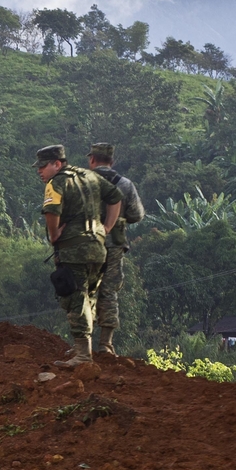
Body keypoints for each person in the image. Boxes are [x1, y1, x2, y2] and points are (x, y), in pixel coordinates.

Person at [35, 145, 121, 367]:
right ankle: (84, 348)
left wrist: (54, 235)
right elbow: (115, 197)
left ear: (57, 164)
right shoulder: (89, 176)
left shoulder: (56, 183)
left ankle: (83, 355)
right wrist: (106, 227)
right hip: (98, 249)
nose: (39, 171)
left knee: (76, 300)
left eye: (43, 166)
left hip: (74, 250)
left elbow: (51, 210)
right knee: (88, 297)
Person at [87, 143, 145, 355]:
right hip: (114, 245)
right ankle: (106, 343)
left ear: (92, 160)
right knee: (109, 291)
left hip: (87, 244)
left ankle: (83, 344)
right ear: (112, 161)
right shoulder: (125, 184)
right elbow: (136, 215)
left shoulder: (82, 182)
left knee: (85, 292)